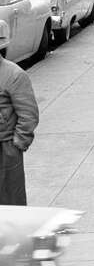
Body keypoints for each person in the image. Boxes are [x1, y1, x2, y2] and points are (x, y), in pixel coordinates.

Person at [0, 21, 38, 206]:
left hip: (5, 149)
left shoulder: (14, 75)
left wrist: (18, 143)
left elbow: (28, 114)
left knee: (10, 201)